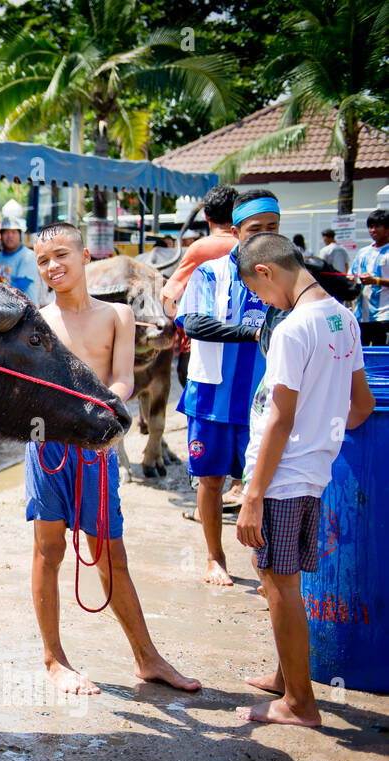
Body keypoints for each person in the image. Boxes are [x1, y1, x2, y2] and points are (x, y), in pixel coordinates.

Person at [26, 222, 200, 695]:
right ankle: (54, 659)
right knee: (50, 551)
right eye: (43, 260)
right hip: (49, 447)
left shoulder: (119, 315)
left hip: (96, 444)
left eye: (61, 254)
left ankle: (148, 658)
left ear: (87, 259)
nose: (53, 266)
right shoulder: (37, 322)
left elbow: (123, 379)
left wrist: (101, 406)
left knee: (110, 555)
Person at [235, 233, 375, 727]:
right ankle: (284, 674)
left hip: (280, 479)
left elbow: (280, 417)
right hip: (311, 472)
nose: (261, 302)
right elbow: (363, 405)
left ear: (267, 272)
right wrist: (323, 433)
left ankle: (299, 702)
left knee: (280, 584)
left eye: (257, 291)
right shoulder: (344, 317)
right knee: (277, 577)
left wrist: (252, 494)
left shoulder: (294, 329)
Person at [174, 189, 279, 586]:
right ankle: (214, 557)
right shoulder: (209, 272)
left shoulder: (285, 271)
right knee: (212, 480)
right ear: (237, 231)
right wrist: (252, 333)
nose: (265, 235)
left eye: (273, 227)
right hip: (211, 395)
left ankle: (265, 559)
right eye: (256, 228)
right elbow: (194, 324)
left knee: (264, 481)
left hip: (265, 396)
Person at [162, 186, 240, 390]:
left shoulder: (201, 248)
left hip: (204, 336)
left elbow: (168, 295)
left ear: (206, 216)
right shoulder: (249, 244)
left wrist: (182, 323)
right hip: (248, 333)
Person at [0, 207, 45, 305]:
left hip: (27, 314)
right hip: (4, 311)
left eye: (14, 232)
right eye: (6, 232)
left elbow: (19, 288)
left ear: (20, 235)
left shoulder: (28, 256)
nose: (10, 236)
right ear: (1, 235)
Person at [351, 208, 389, 346]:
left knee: (382, 360)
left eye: (377, 226)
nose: (373, 230)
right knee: (362, 357)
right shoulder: (362, 253)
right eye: (370, 226)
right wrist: (351, 279)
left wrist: (375, 281)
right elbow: (352, 275)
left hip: (384, 317)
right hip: (362, 317)